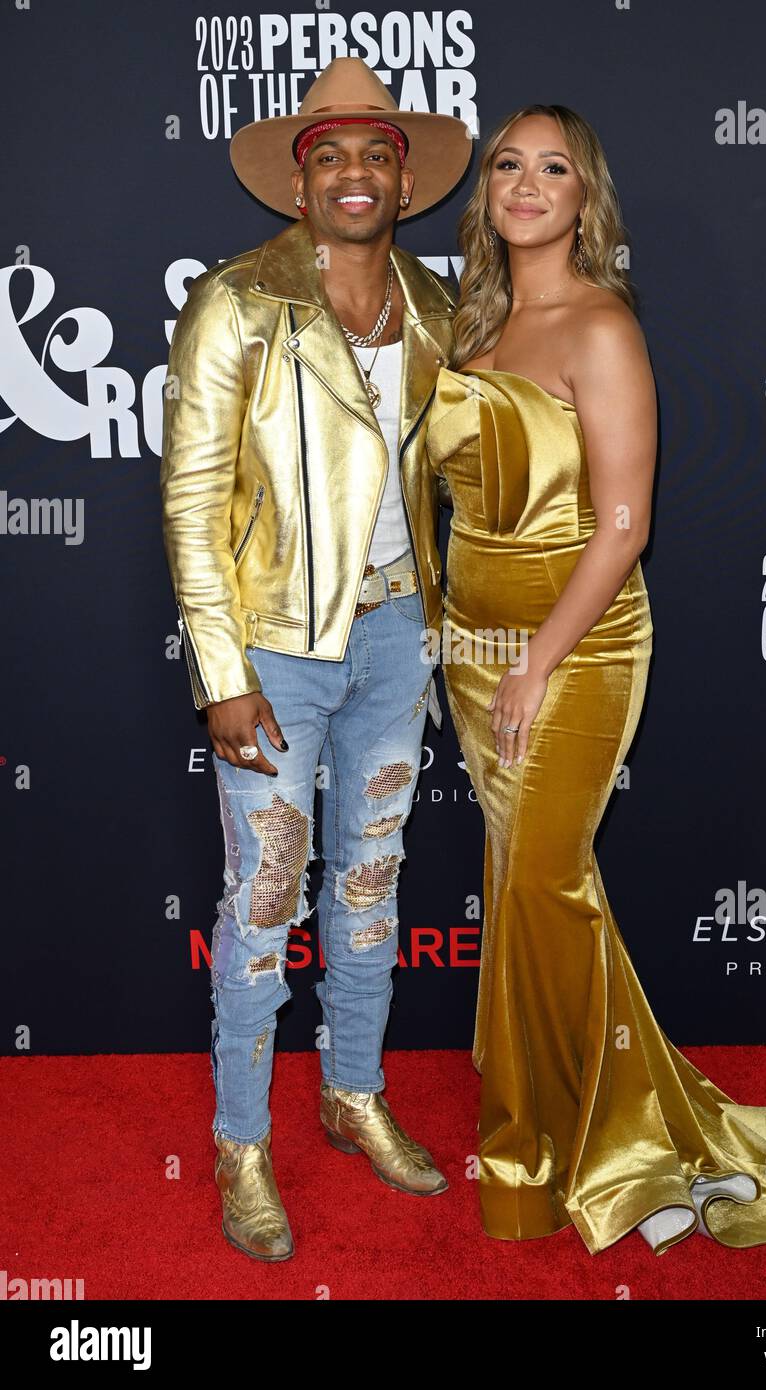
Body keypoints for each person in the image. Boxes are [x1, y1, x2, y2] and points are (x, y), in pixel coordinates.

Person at [425, 105, 766, 1255]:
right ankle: (565, 1123)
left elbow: (621, 526)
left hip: (577, 644)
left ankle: (576, 1143)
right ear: (487, 191)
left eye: (554, 167)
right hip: (471, 644)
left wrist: (536, 664)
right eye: (508, 163)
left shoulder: (600, 327)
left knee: (541, 882)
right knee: (523, 891)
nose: (525, 182)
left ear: (585, 200)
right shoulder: (471, 321)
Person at [160, 57, 471, 1262]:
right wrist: (219, 669)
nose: (355, 172)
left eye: (376, 152)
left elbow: (459, 480)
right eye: (331, 153)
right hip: (275, 651)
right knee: (262, 899)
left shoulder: (436, 307)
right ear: (301, 181)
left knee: (370, 886)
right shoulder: (237, 302)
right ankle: (242, 1141)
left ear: (404, 175)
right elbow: (190, 503)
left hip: (397, 635)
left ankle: (352, 1094)